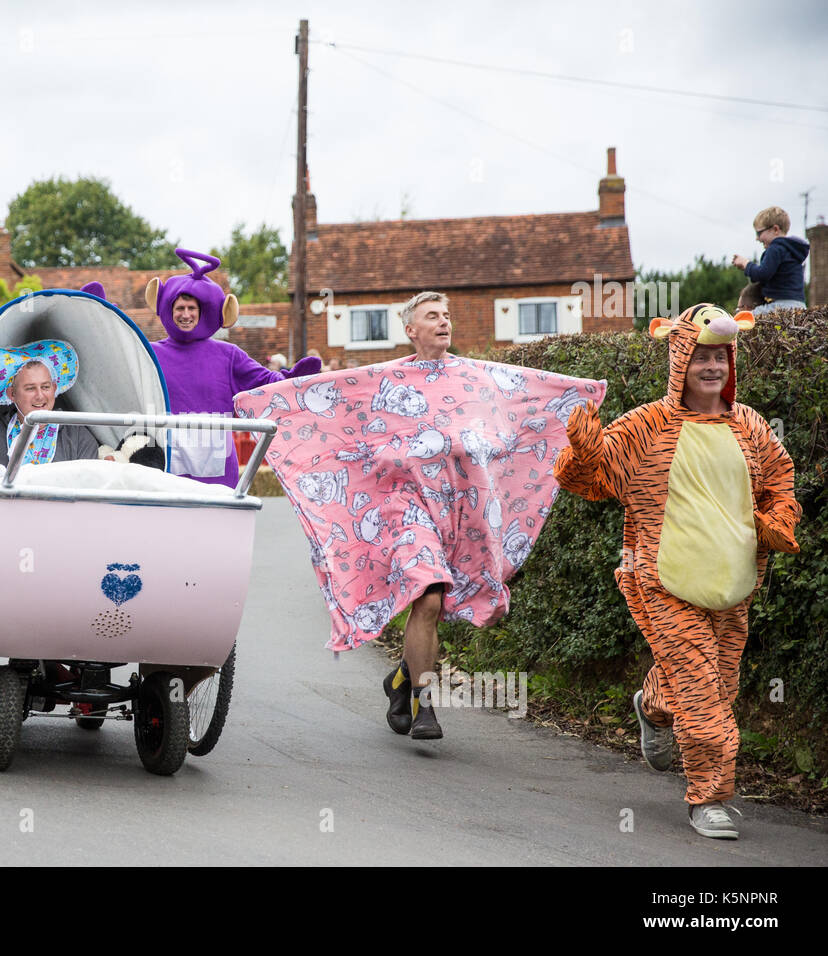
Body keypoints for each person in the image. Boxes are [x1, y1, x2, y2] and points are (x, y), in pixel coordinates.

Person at [234, 291, 606, 740]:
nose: (443, 322)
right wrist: (261, 404)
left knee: (440, 602)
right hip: (404, 509)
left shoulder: (477, 378)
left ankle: (399, 680)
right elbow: (328, 404)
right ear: (411, 330)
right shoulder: (384, 380)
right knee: (429, 595)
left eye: (447, 315)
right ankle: (425, 703)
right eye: (432, 316)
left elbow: (524, 403)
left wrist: (582, 396)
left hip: (460, 509)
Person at [555, 303, 799, 840]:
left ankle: (654, 705)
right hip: (664, 582)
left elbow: (780, 480)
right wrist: (583, 450)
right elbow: (592, 478)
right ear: (679, 358)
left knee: (718, 684)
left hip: (733, 585)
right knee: (703, 694)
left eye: (720, 357)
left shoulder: (752, 426)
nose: (711, 367)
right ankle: (710, 798)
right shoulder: (646, 425)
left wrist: (779, 518)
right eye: (701, 356)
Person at [148, 248, 321, 487]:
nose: (185, 314)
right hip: (166, 465)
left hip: (215, 469)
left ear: (202, 313)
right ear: (169, 310)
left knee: (217, 522)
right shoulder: (149, 352)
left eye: (191, 309)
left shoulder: (228, 355)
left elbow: (264, 383)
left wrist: (293, 380)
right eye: (180, 308)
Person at [0, 340, 99, 466]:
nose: (40, 396)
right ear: (12, 394)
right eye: (30, 388)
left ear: (54, 389)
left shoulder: (78, 437)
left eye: (45, 387)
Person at [731, 206, 809, 315]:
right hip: (799, 306)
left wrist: (746, 264)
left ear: (775, 229)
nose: (757, 238)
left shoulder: (776, 248)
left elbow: (762, 274)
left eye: (759, 233)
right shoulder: (790, 251)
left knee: (745, 317)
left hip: (783, 307)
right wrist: (747, 269)